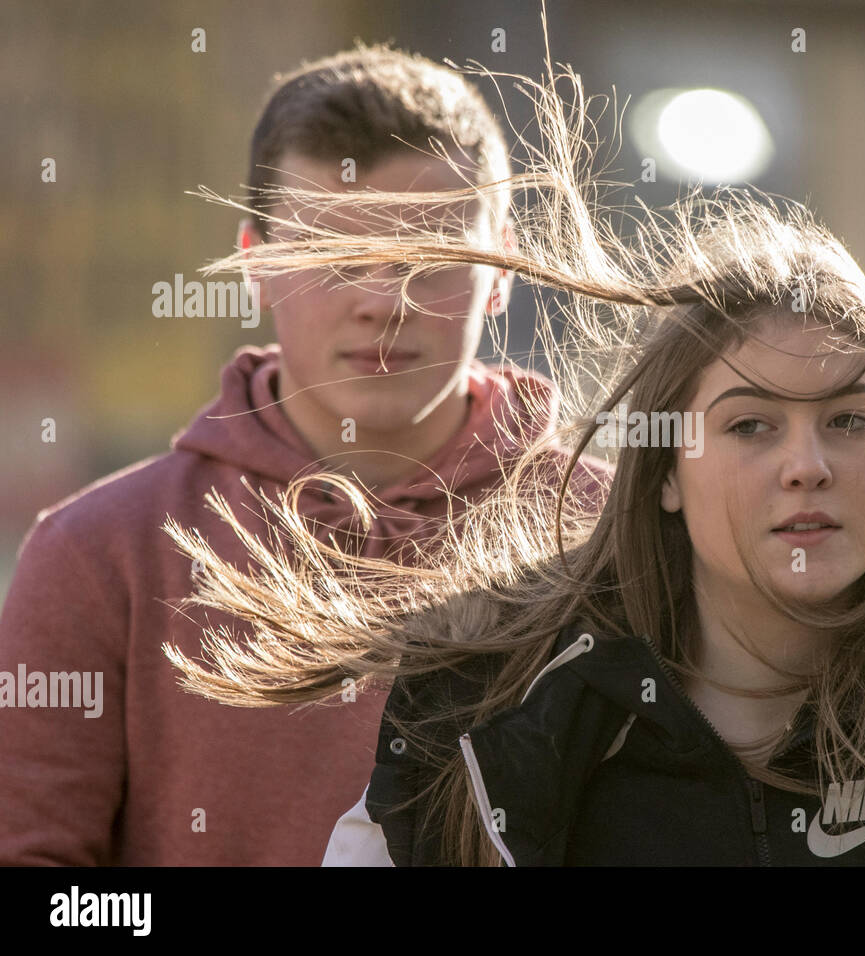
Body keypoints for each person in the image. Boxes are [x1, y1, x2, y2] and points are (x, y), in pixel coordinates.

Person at [166, 62, 865, 867]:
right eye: (749, 426)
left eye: (850, 421)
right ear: (659, 470)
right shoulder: (481, 730)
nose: (807, 464)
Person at [0, 43, 608, 865]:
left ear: (503, 265)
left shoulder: (615, 540)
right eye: (330, 257)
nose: (377, 302)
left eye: (428, 258)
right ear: (254, 265)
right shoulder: (100, 554)